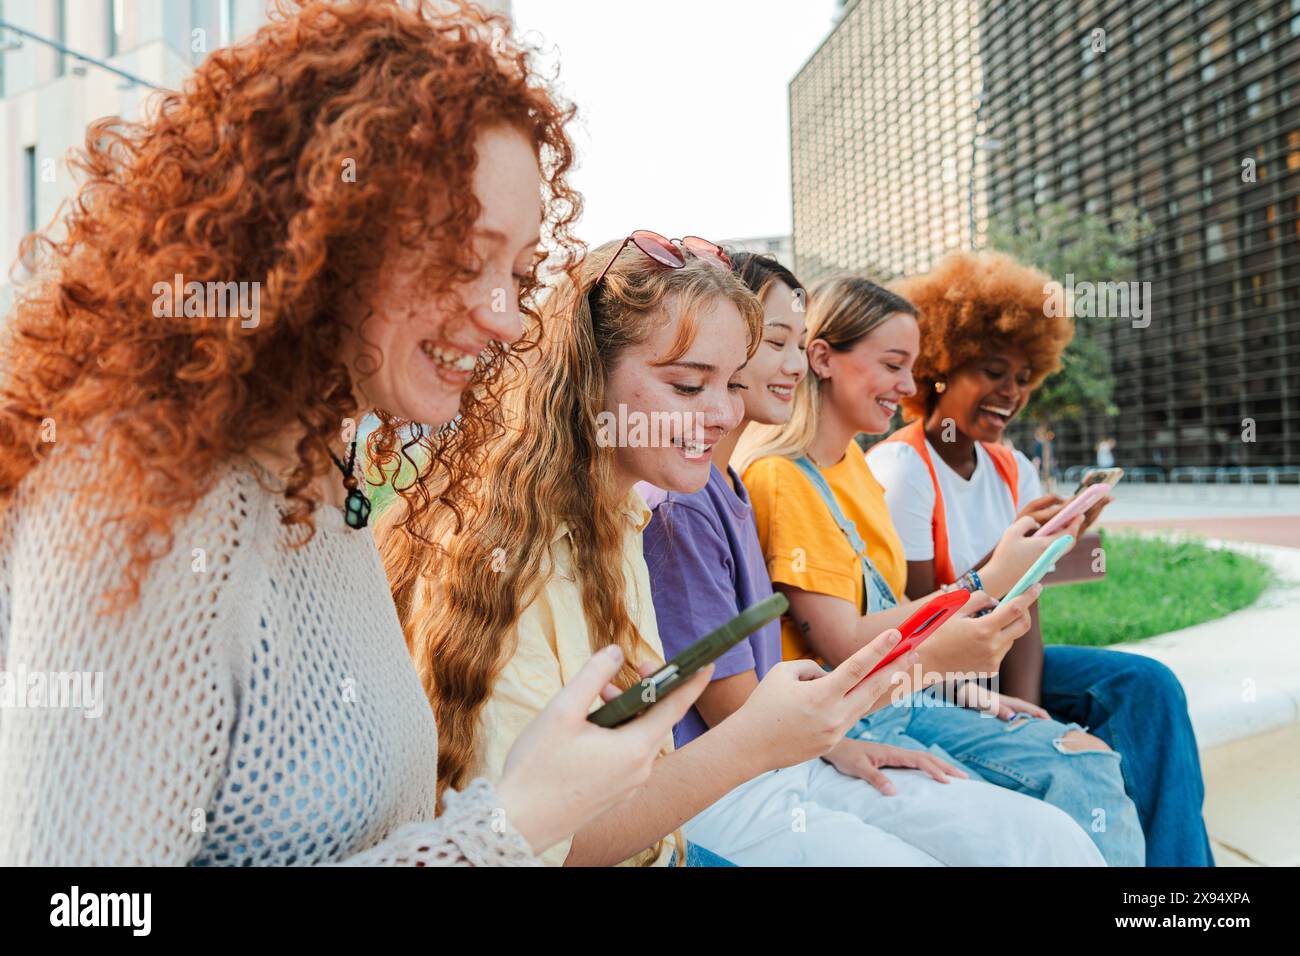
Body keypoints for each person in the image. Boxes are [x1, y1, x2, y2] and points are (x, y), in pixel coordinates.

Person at [0, 0, 699, 866]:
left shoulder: (323, 476)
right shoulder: (143, 503)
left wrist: (526, 798)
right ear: (314, 235)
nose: (506, 317)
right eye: (461, 256)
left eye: (516, 273)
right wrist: (508, 825)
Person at [382, 234, 927, 867]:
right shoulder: (505, 562)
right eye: (690, 387)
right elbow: (535, 847)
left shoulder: (622, 517)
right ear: (585, 380)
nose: (724, 413)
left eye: (730, 383)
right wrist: (753, 742)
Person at [639, 252, 1105, 865]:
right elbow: (764, 708)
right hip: (748, 778)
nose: (793, 364)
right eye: (774, 342)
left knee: (1057, 828)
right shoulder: (713, 497)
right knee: (1066, 792)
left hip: (814, 740)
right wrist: (979, 594)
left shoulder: (739, 488)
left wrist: (960, 686)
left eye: (796, 344)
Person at [869, 250, 1211, 866]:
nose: (1012, 392)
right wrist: (1004, 558)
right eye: (993, 371)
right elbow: (916, 621)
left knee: (1147, 685)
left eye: (1025, 376)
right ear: (939, 369)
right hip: (931, 676)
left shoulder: (1012, 466)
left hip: (998, 663)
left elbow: (1025, 603)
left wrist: (1035, 711)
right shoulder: (902, 469)